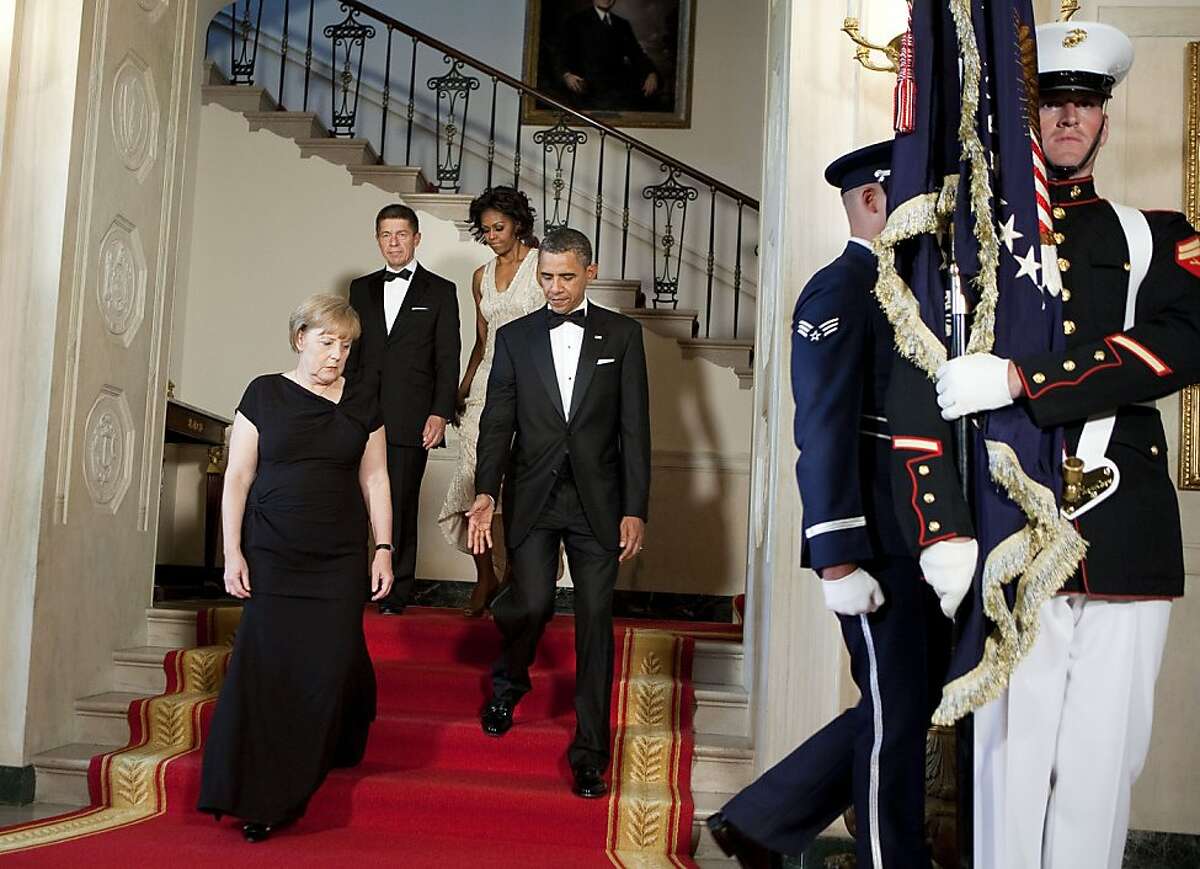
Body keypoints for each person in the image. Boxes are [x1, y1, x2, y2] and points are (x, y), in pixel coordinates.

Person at [928, 22, 1200, 868]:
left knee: (1101, 761)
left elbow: (1185, 344)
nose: (1070, 117)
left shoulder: (1158, 231)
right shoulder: (978, 236)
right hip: (1015, 520)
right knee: (1009, 757)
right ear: (1027, 115)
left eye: (1085, 103)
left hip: (1124, 528)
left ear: (1106, 121)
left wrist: (1022, 381)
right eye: (1053, 101)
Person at [705, 143, 957, 869]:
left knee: (903, 704)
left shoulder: (910, 291)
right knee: (896, 714)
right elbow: (821, 427)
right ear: (873, 202)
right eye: (910, 198)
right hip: (873, 539)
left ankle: (758, 819)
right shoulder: (842, 290)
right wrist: (837, 553)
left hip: (922, 538)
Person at [198, 294, 394, 842]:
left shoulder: (362, 399)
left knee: (325, 669)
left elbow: (375, 478)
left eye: (346, 345)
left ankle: (321, 750)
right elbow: (237, 476)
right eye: (327, 341)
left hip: (336, 557)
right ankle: (267, 797)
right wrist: (231, 551)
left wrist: (384, 547)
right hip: (273, 552)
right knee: (269, 670)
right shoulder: (264, 393)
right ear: (299, 338)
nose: (337, 355)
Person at [465, 227, 650, 800]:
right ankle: (507, 682)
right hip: (533, 495)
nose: (555, 288)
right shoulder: (515, 337)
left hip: (599, 501)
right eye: (545, 276)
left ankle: (590, 754)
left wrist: (635, 509)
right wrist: (485, 491)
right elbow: (497, 421)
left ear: (590, 273)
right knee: (533, 601)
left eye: (566, 276)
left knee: (596, 620)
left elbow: (634, 429)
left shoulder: (623, 334)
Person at [345, 204, 461, 615]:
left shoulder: (441, 291)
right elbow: (351, 353)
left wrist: (439, 413)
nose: (393, 242)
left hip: (412, 416)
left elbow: (448, 359)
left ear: (416, 238)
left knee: (401, 502)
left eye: (401, 234)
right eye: (385, 235)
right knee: (354, 502)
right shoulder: (359, 288)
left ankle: (397, 591)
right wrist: (345, 408)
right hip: (360, 414)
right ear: (377, 239)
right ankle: (356, 584)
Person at [438, 187, 544, 618]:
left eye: (499, 227)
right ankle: (485, 577)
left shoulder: (542, 266)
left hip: (534, 387)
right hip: (487, 386)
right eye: (485, 231)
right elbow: (482, 342)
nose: (493, 236)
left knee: (517, 485)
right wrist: (461, 390)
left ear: (518, 222)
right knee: (472, 480)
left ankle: (518, 577)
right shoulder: (481, 276)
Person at [552, 0, 659, 112]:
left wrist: (650, 72)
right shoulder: (576, 21)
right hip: (586, 90)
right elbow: (561, 52)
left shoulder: (622, 24)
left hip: (617, 92)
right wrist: (566, 75)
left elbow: (637, 54)